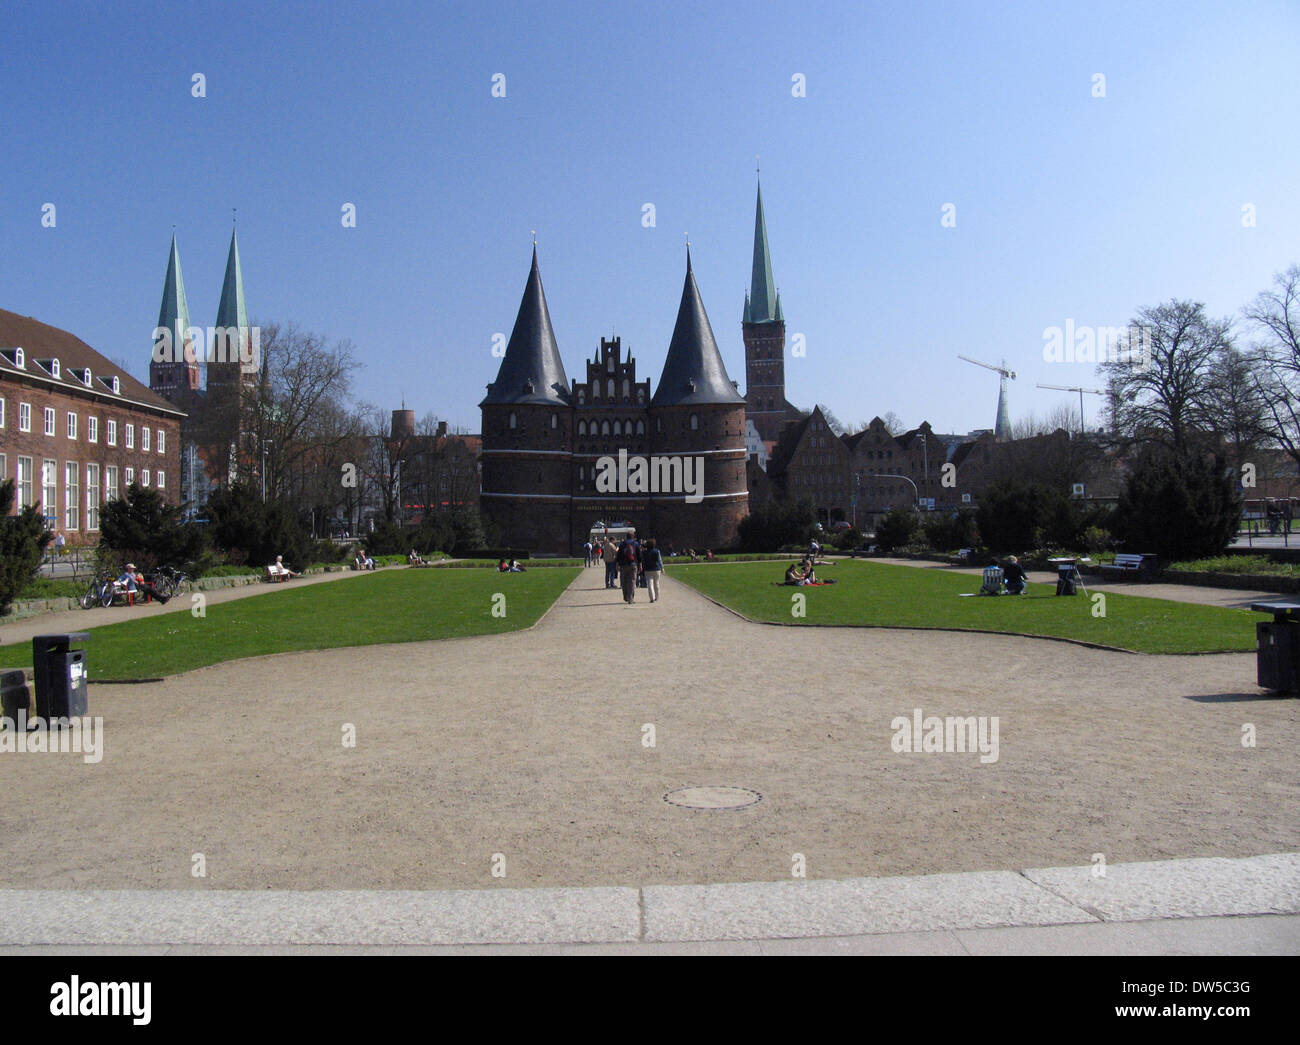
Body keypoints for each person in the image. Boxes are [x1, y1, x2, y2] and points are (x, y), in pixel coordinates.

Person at [616, 535, 641, 603]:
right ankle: (630, 598)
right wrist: (640, 564)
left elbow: (618, 555)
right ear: (633, 537)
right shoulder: (635, 543)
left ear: (626, 537)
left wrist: (617, 564)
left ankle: (625, 596)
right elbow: (639, 555)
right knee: (632, 581)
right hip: (633, 564)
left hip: (623, 565)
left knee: (624, 581)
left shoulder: (622, 544)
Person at [642, 538, 664, 603]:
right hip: (656, 569)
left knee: (650, 584)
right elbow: (659, 560)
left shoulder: (644, 552)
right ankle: (657, 597)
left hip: (648, 569)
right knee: (656, 583)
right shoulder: (657, 551)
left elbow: (643, 561)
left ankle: (652, 598)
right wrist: (662, 568)